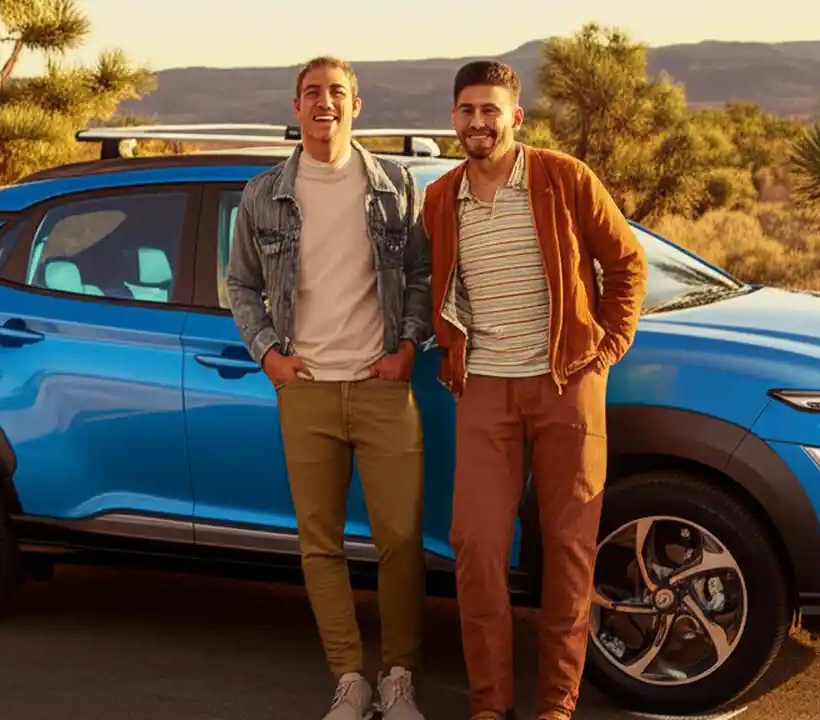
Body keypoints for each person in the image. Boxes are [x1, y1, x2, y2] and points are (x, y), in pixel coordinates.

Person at [420, 60, 647, 720]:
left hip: (565, 386)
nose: (478, 122)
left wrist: (607, 349)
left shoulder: (562, 179)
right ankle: (491, 705)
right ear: (454, 118)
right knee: (476, 544)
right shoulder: (442, 198)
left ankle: (555, 706)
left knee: (571, 551)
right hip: (484, 386)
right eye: (467, 110)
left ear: (516, 117)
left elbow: (626, 262)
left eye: (491, 110)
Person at [224, 56, 432, 720]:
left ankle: (399, 677)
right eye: (313, 93)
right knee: (320, 544)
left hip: (381, 387)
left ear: (356, 105)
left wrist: (406, 347)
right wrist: (270, 358)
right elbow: (240, 285)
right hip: (306, 390)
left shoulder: (395, 185)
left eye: (337, 93)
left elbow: (424, 275)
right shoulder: (263, 195)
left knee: (400, 539)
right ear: (296, 107)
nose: (325, 103)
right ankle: (350, 678)